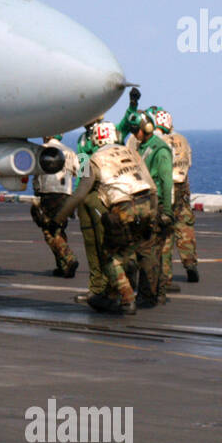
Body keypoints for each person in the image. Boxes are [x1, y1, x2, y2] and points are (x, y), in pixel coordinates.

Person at [55, 121, 156, 316]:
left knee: (103, 252)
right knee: (127, 250)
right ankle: (109, 293)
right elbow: (150, 184)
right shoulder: (128, 150)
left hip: (105, 202)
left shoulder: (87, 149)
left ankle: (115, 294)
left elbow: (82, 185)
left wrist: (60, 216)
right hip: (141, 201)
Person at [123, 108, 173, 307]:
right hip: (141, 203)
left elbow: (166, 181)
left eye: (137, 131)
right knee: (150, 252)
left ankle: (149, 294)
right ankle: (154, 293)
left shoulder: (159, 149)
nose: (135, 135)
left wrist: (167, 210)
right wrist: (132, 106)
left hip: (153, 205)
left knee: (148, 252)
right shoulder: (139, 147)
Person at [153, 107, 199, 286]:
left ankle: (165, 275)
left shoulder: (84, 144)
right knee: (184, 225)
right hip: (181, 186)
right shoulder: (183, 140)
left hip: (165, 188)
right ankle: (190, 262)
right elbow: (189, 163)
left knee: (164, 231)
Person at [72, 127, 111, 308]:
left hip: (101, 196)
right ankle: (96, 288)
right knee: (91, 244)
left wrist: (132, 107)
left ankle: (110, 288)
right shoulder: (82, 140)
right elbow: (82, 170)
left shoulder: (108, 131)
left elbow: (125, 125)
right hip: (85, 195)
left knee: (105, 245)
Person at [30, 134, 79, 277]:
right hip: (67, 195)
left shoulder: (42, 150)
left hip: (49, 195)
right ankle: (62, 266)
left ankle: (69, 258)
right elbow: (81, 171)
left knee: (49, 231)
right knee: (59, 230)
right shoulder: (70, 151)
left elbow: (33, 171)